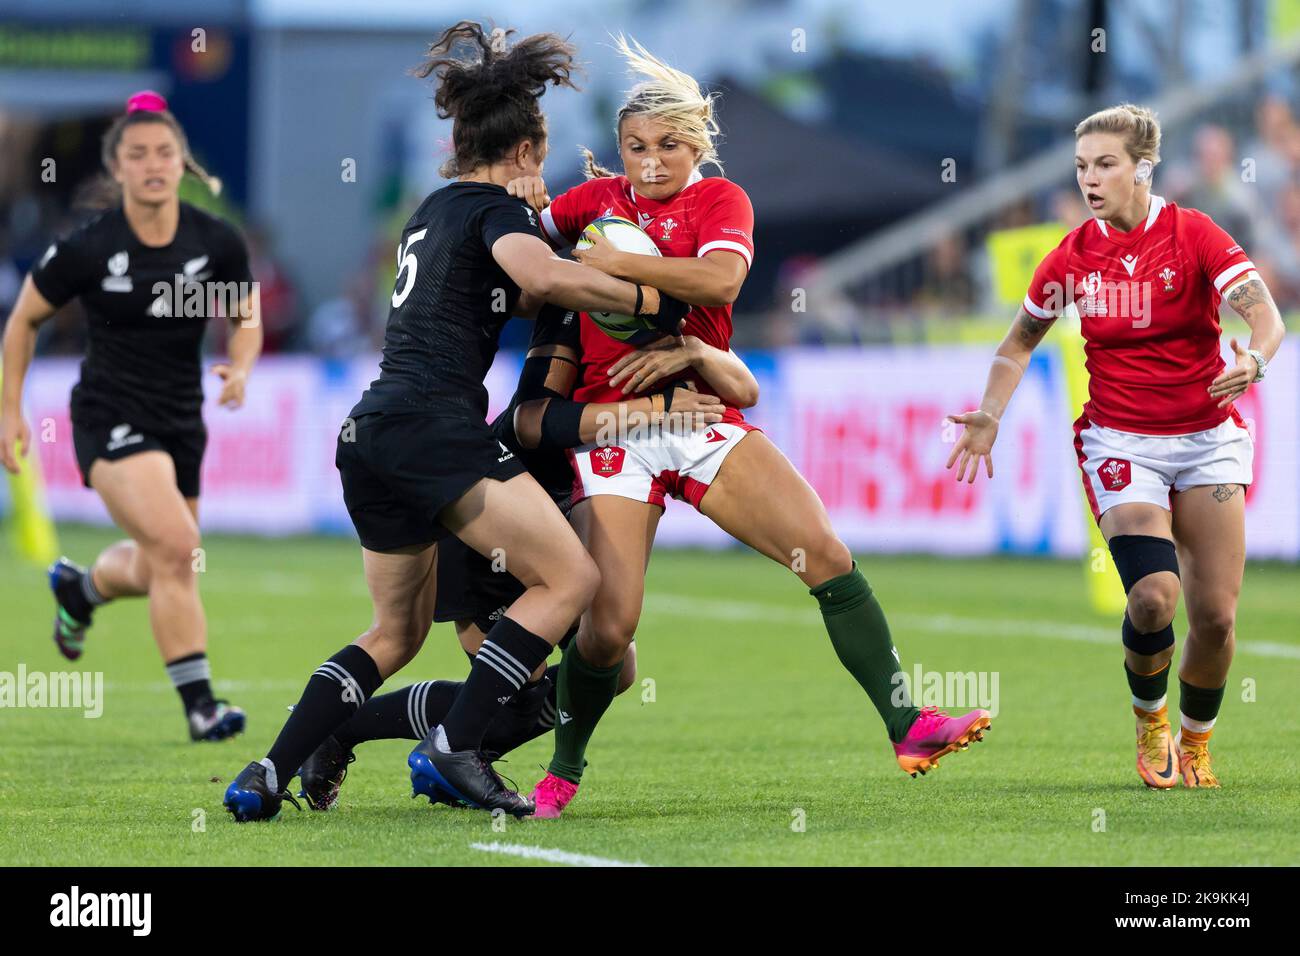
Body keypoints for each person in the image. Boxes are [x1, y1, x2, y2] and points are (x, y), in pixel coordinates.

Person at [221, 22, 690, 821]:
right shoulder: (491, 211)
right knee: (572, 581)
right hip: (435, 430)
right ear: (525, 149)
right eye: (539, 156)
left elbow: (523, 291)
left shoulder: (433, 210)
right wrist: (651, 296)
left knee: (393, 634)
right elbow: (541, 274)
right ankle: (454, 749)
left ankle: (269, 769)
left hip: (369, 431)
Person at [512, 37, 991, 819]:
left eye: (668, 145)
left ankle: (908, 723)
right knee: (608, 631)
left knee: (827, 554)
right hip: (616, 433)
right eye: (635, 148)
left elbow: (721, 278)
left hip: (705, 418)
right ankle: (564, 770)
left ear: (697, 145)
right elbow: (524, 236)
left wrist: (618, 270)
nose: (651, 162)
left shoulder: (720, 203)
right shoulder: (590, 204)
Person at [946, 104, 1286, 789]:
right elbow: (1019, 341)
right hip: (1120, 441)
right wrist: (989, 412)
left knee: (1216, 617)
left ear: (1142, 168)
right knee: (1156, 598)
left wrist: (1255, 361)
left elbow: (1264, 315)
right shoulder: (1073, 256)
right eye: (1081, 167)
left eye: (1104, 164)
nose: (1089, 179)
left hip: (1207, 439)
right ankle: (1150, 718)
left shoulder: (1194, 235)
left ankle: (1195, 740)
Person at [296, 301, 748, 810]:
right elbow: (527, 420)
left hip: (559, 524)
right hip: (497, 516)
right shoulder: (578, 312)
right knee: (514, 702)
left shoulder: (670, 324)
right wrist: (645, 412)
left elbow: (746, 390)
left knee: (612, 670)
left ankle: (421, 744)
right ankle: (372, 737)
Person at [0, 91, 261, 742]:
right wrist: (9, 410)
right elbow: (23, 320)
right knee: (178, 548)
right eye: (137, 153)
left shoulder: (215, 242)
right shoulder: (89, 246)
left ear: (182, 163)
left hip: (182, 422)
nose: (152, 163)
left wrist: (242, 366)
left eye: (164, 152)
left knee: (160, 564)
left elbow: (246, 316)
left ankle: (80, 590)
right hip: (107, 414)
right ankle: (202, 705)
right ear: (117, 167)